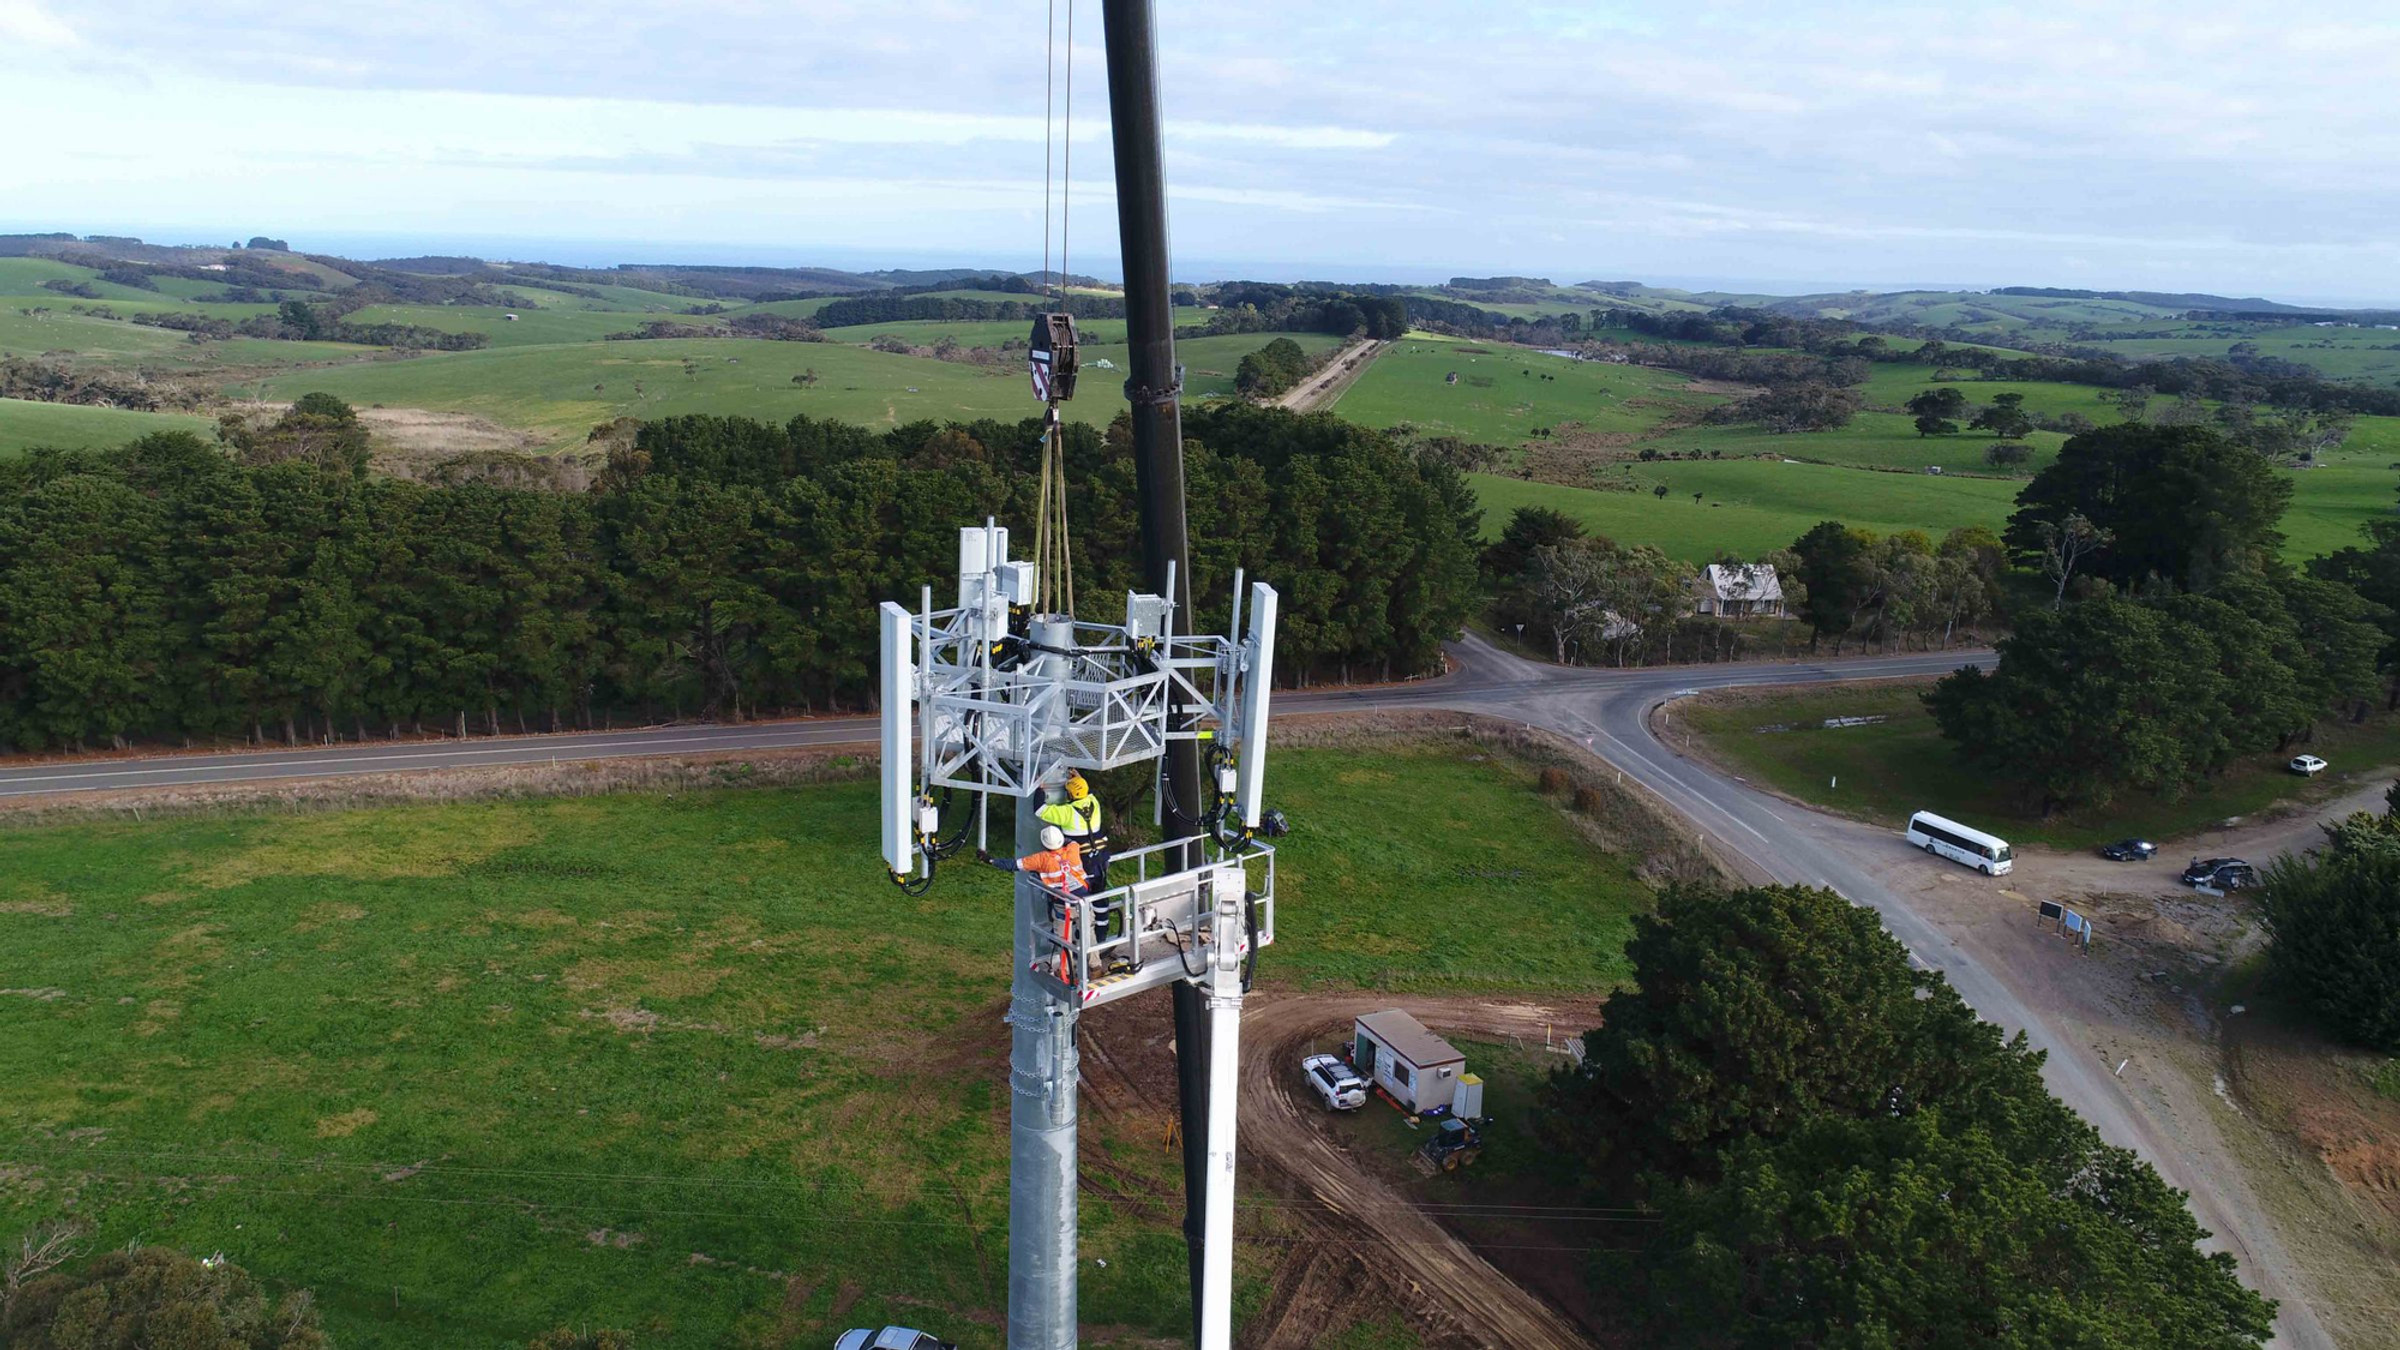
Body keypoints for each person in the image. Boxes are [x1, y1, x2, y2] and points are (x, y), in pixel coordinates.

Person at [984, 826, 1088, 981]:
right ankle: (1094, 965)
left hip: (1062, 904)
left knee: (1063, 940)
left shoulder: (1040, 859)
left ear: (1044, 844)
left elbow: (1013, 865)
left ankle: (1065, 971)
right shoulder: (1073, 850)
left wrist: (990, 860)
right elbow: (1072, 841)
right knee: (1088, 932)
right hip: (1083, 901)